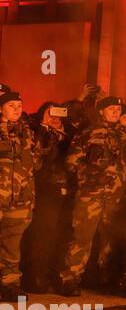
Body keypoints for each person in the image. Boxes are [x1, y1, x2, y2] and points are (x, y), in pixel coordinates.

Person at [60, 95, 126, 296]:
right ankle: (71, 279)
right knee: (82, 237)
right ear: (102, 111)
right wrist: (88, 177)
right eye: (111, 109)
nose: (115, 112)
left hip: (116, 196)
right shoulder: (89, 133)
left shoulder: (125, 136)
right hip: (91, 194)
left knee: (110, 239)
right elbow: (71, 161)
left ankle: (106, 278)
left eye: (118, 110)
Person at [0, 90, 53, 300]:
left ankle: (9, 286)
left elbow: (36, 163)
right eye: (11, 105)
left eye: (19, 106)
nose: (17, 109)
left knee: (12, 245)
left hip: (20, 198)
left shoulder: (28, 133)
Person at [20, 102, 73, 293]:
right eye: (50, 113)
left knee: (61, 234)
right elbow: (38, 157)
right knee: (43, 234)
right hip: (45, 190)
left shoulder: (69, 135)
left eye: (58, 113)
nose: (55, 117)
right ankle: (35, 277)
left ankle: (54, 275)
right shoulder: (36, 132)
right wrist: (44, 126)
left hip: (66, 192)